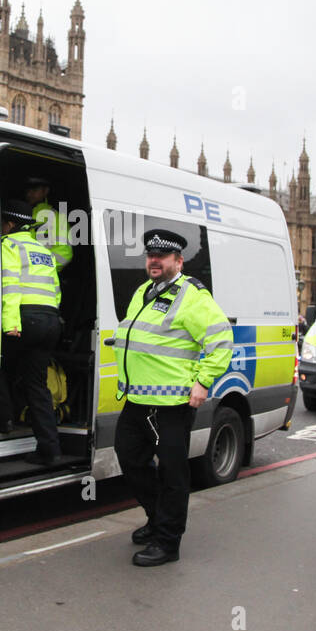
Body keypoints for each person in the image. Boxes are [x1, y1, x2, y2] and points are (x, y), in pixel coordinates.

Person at [112, 229, 232, 566]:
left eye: (161, 257)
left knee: (173, 473)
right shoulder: (142, 291)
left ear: (177, 261)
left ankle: (167, 542)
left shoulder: (191, 295)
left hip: (173, 404)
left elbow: (221, 338)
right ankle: (156, 517)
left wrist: (204, 381)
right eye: (150, 255)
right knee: (130, 459)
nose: (154, 261)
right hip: (138, 399)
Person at [0, 199, 63, 464]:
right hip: (50, 320)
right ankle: (50, 448)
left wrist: (11, 324)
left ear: (10, 224)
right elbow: (56, 288)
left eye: (3, 223)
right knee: (37, 385)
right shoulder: (43, 250)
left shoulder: (9, 244)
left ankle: (3, 423)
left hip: (24, 319)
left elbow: (10, 285)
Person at [25, 176, 73, 272]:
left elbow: (64, 253)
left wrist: (38, 268)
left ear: (45, 191)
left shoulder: (57, 217)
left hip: (41, 279)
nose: (29, 194)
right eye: (28, 190)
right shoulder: (21, 214)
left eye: (34, 190)